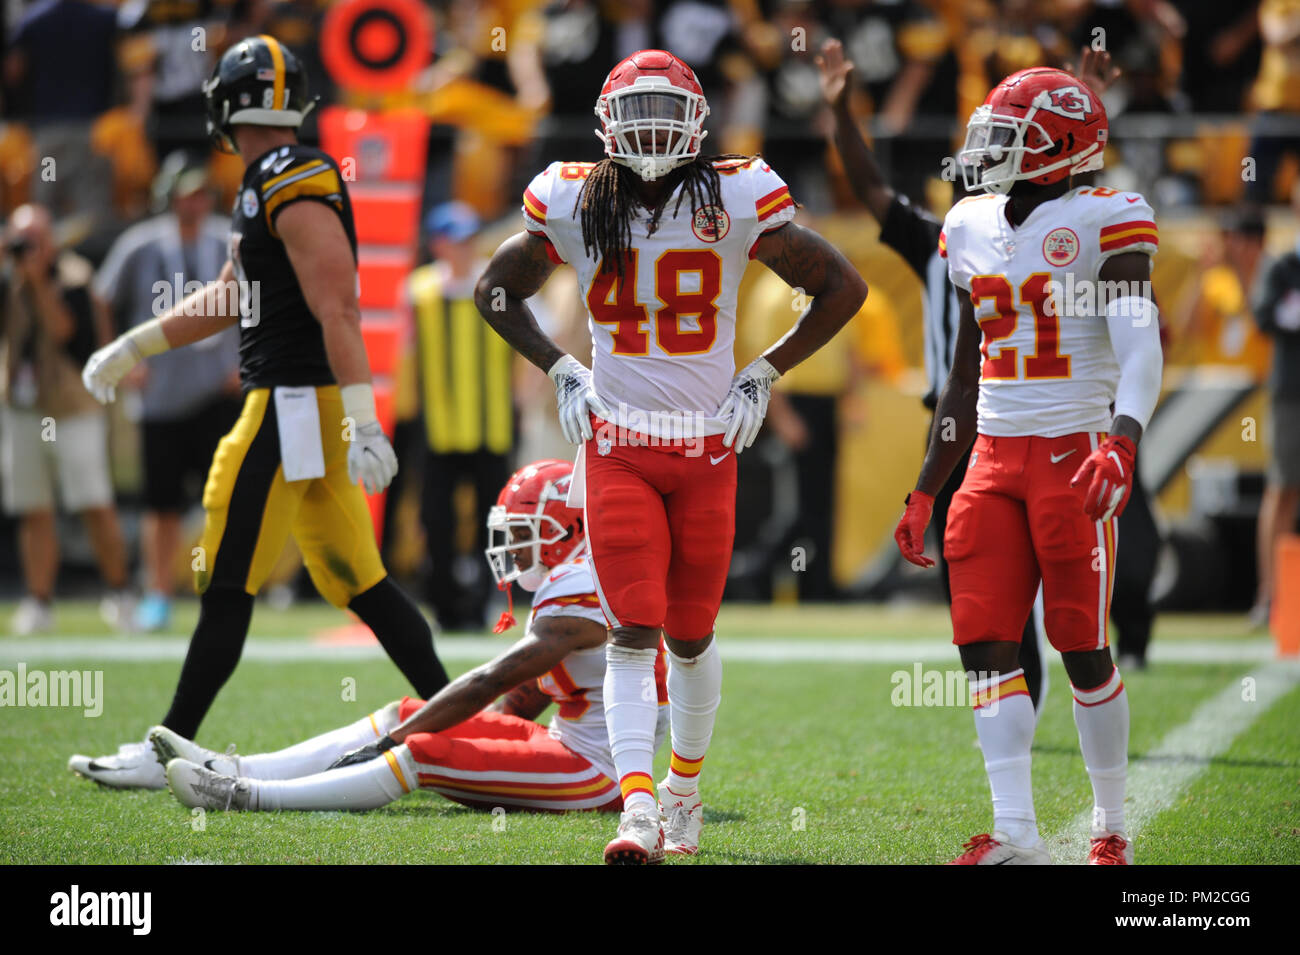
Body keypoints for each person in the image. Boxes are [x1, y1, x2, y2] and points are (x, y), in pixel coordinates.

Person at [476, 49, 868, 863]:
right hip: (618, 444)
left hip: (706, 448)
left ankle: (684, 790)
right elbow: (494, 290)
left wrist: (763, 372)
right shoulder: (577, 196)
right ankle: (639, 807)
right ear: (605, 124)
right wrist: (562, 367)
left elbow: (844, 286)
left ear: (697, 121)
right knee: (632, 632)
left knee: (690, 634)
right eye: (637, 110)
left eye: (667, 109)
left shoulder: (736, 192)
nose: (652, 128)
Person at [69, 35, 449, 789]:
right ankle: (464, 725)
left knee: (228, 577)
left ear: (232, 103)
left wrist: (366, 420)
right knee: (360, 581)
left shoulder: (288, 174)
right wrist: (135, 346)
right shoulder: (270, 177)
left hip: (290, 404)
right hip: (303, 407)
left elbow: (337, 303)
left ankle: (166, 743)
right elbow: (233, 295)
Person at [894, 66, 1162, 865]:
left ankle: (1110, 825)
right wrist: (925, 486)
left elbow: (1140, 339)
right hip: (991, 461)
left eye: (1011, 136)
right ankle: (1016, 832)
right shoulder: (971, 223)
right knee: (982, 641)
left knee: (1081, 641)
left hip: (1072, 451)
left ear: (1064, 148)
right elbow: (965, 372)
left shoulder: (1107, 216)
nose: (989, 151)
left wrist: (1122, 437)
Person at [150, 459, 671, 816]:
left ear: (568, 530)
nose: (513, 548)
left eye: (522, 533)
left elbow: (490, 680)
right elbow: (524, 697)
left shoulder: (582, 586)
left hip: (599, 774)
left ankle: (249, 795)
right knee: (407, 714)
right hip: (571, 743)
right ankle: (230, 765)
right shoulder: (578, 578)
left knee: (418, 749)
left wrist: (396, 744)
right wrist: (451, 732)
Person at [818, 37, 1049, 708]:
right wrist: (842, 114)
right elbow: (867, 186)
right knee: (969, 562)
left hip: (1018, 413)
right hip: (955, 421)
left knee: (1032, 562)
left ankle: (1024, 687)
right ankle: (1002, 693)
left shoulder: (1035, 234)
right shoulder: (938, 240)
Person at [92, 152, 242, 632]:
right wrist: (122, 356)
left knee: (227, 498)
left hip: (217, 389)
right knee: (160, 503)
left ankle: (224, 591)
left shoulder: (228, 238)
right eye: (185, 194)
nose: (194, 203)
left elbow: (251, 298)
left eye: (200, 193)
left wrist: (244, 360)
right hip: (160, 393)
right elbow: (102, 294)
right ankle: (157, 592)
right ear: (168, 197)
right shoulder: (141, 244)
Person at [1, 204, 133, 635]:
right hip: (24, 408)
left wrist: (37, 282)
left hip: (72, 409)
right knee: (33, 508)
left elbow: (63, 332)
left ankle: (120, 593)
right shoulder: (7, 279)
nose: (27, 249)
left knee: (94, 504)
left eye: (34, 239)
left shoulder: (75, 277)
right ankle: (39, 601)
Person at [407, 201, 515, 631]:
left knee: (498, 519)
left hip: (492, 427)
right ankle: (445, 606)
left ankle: (490, 604)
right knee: (436, 521)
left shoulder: (495, 285)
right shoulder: (418, 290)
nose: (466, 248)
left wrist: (521, 400)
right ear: (438, 245)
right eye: (458, 241)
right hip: (437, 429)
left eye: (470, 240)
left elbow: (536, 335)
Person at [1250, 205, 1300, 627]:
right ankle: (1271, 596)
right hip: (1291, 393)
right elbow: (1265, 315)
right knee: (1283, 490)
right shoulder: (1285, 264)